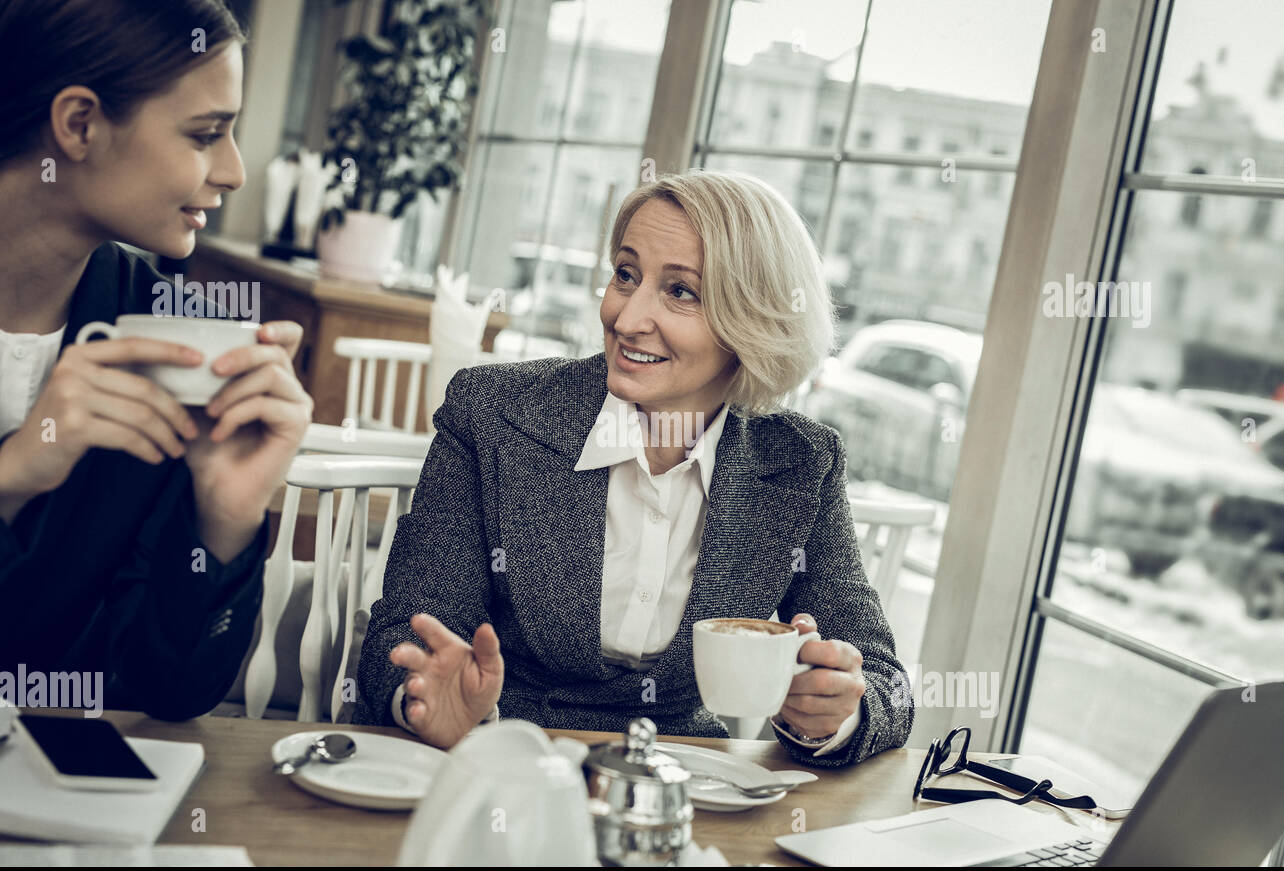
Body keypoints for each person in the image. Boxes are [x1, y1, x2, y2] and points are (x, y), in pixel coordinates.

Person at [355, 169, 913, 767]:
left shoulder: (800, 462)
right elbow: (405, 635)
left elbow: (888, 684)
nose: (625, 319)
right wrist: (431, 701)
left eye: (680, 291)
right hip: (501, 761)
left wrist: (836, 713)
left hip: (684, 779)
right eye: (626, 274)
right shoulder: (493, 413)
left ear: (753, 322)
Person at [0, 0, 312, 719]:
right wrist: (11, 476)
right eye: (205, 134)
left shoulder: (179, 339)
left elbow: (166, 693)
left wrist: (225, 518)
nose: (235, 171)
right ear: (80, 124)